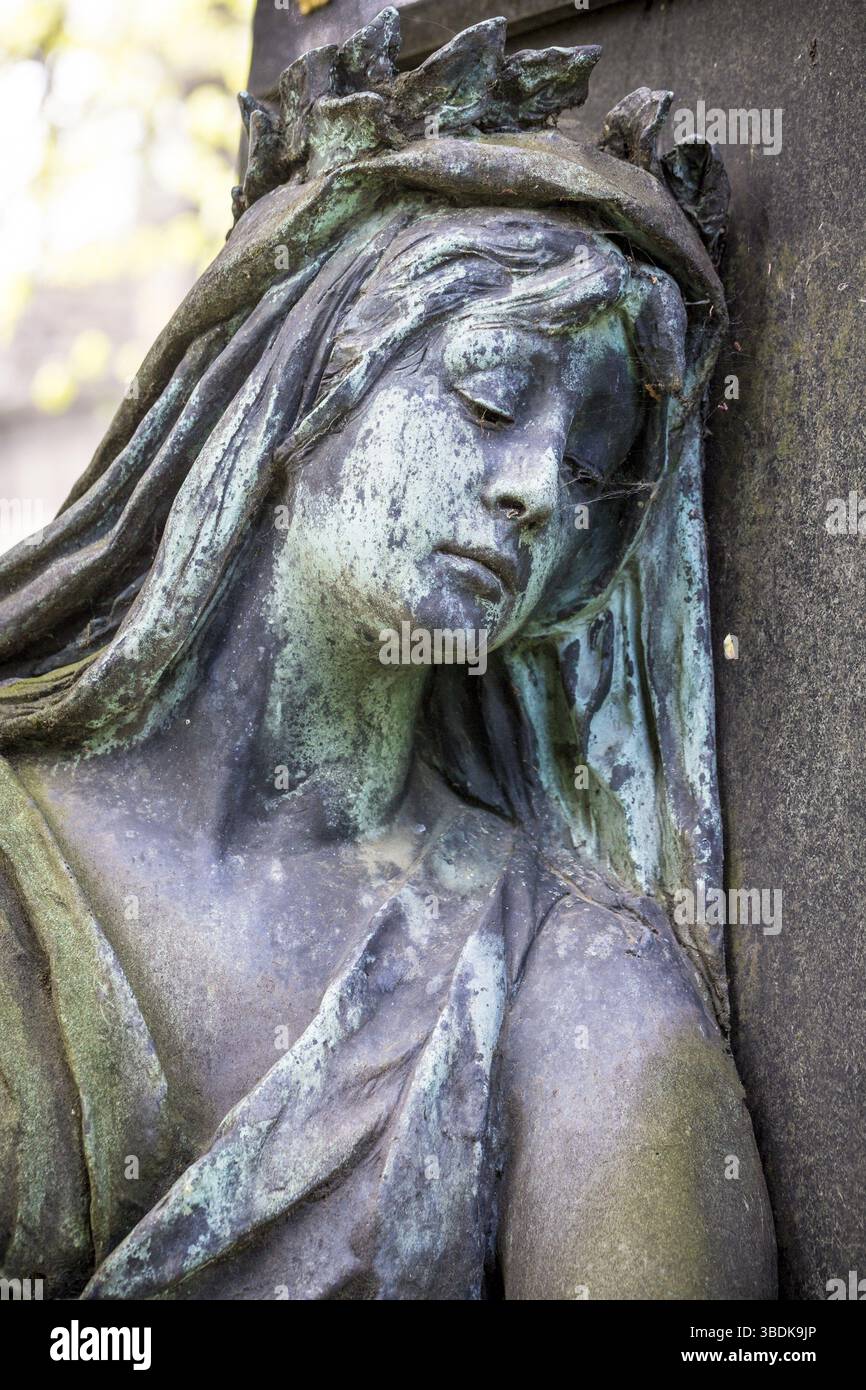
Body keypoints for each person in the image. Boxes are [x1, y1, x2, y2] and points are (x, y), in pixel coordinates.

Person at [0, 10, 775, 1299]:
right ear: (300, 379)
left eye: (592, 464)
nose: (540, 488)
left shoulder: (573, 985)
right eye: (488, 391)